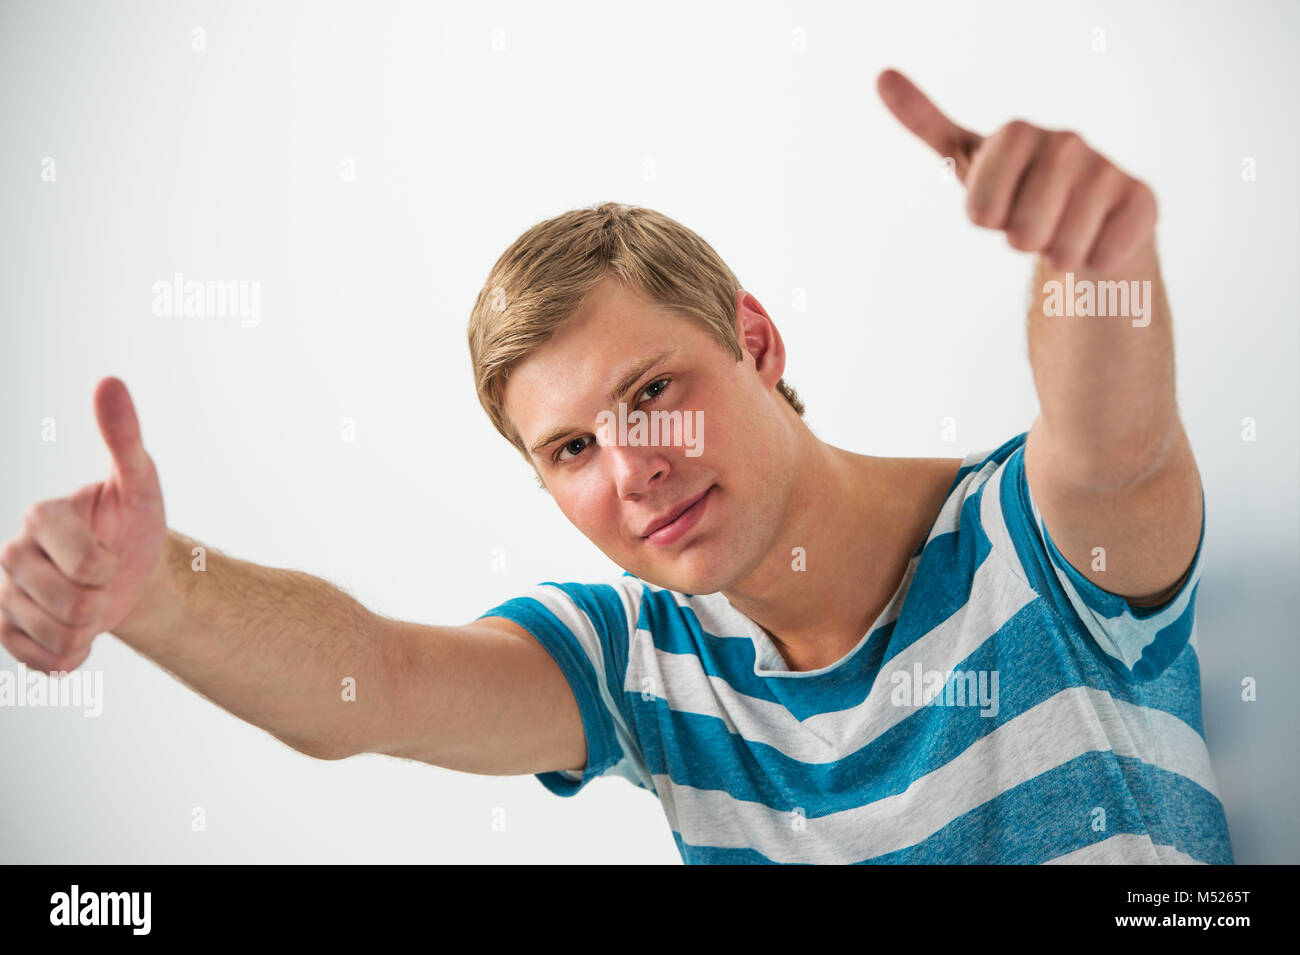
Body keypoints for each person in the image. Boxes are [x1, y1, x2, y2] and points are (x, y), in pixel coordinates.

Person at [0, 70, 1230, 864]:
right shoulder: (640, 666)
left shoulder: (1038, 537)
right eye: (573, 448)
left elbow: (1115, 449)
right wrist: (159, 591)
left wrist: (1096, 262)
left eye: (652, 393)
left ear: (754, 341)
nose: (632, 468)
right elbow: (370, 679)